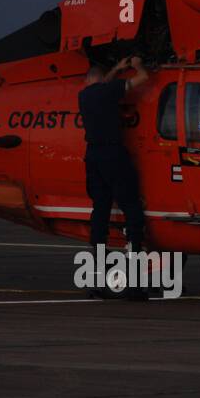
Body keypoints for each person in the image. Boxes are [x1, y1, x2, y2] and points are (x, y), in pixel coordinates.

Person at [78, 56, 148, 260]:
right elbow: (143, 77)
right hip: (112, 154)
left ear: (88, 80)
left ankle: (99, 251)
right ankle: (135, 247)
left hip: (93, 156)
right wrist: (137, 65)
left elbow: (102, 83)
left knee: (100, 206)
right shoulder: (109, 91)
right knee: (130, 203)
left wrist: (117, 68)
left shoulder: (84, 95)